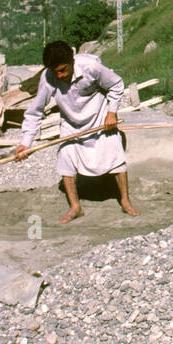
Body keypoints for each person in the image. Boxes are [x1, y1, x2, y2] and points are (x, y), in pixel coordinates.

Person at [14, 40, 139, 223]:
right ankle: (75, 207)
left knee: (114, 155)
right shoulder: (48, 77)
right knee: (66, 157)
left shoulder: (91, 67)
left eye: (63, 70)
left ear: (72, 61)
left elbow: (116, 84)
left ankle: (125, 201)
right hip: (71, 123)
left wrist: (111, 113)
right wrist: (26, 143)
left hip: (99, 118)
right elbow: (35, 112)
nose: (60, 75)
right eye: (55, 71)